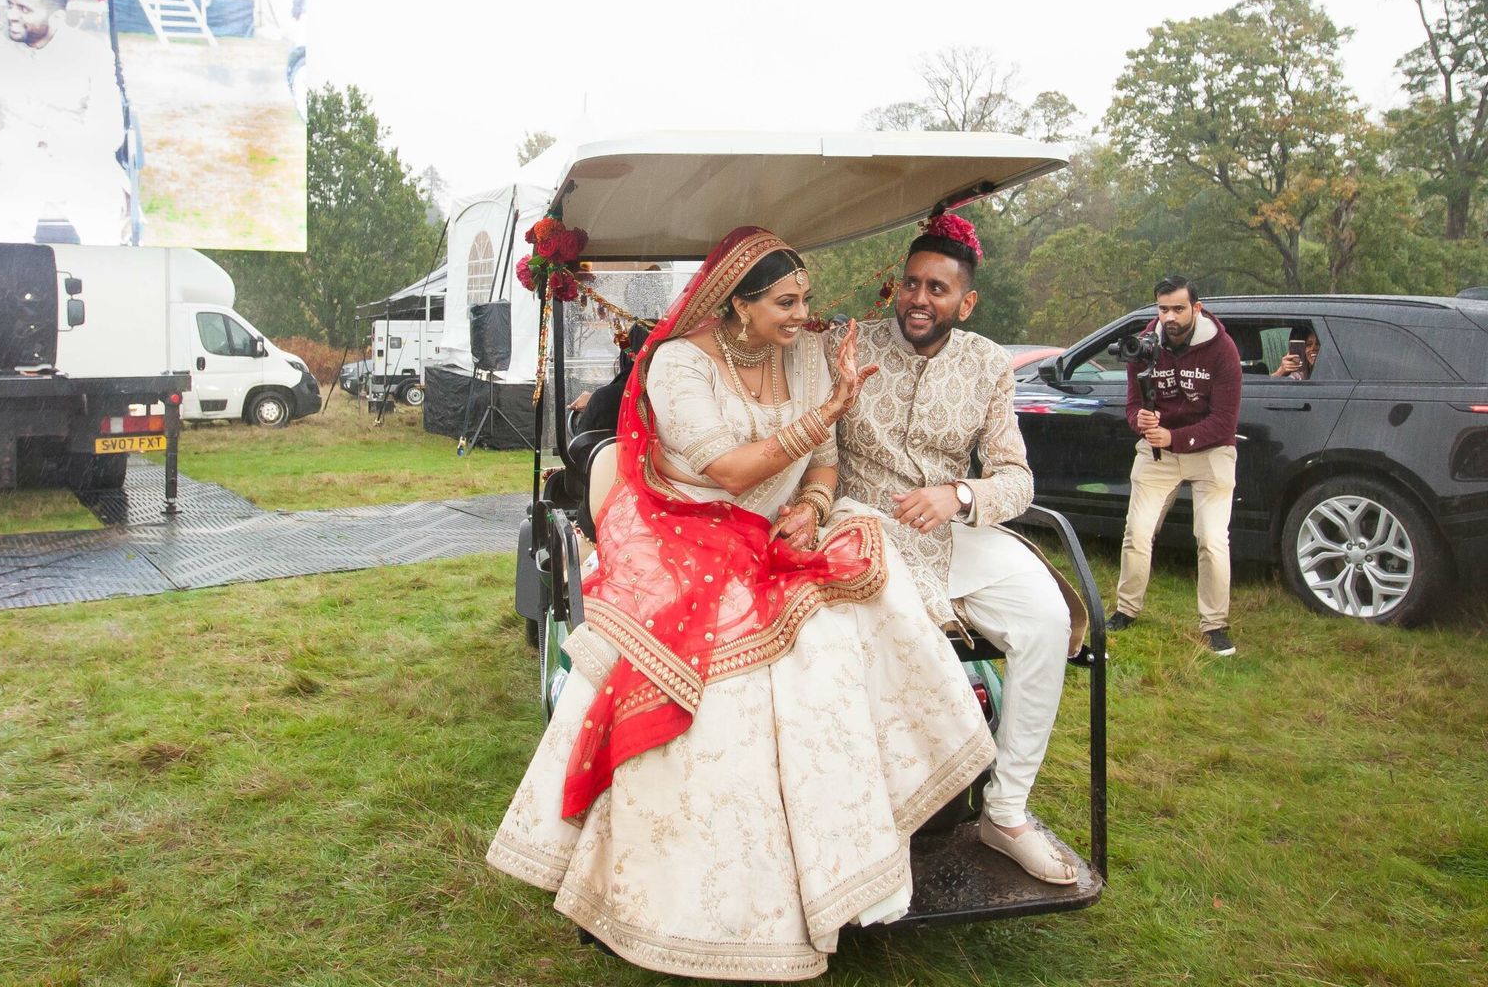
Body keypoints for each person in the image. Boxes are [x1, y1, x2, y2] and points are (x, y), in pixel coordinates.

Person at [488, 227, 996, 982]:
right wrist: (829, 412)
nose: (803, 315)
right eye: (786, 302)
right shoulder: (677, 363)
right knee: (723, 687)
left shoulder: (802, 353)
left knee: (847, 631)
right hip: (684, 529)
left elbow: (821, 465)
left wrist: (816, 506)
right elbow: (726, 471)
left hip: (773, 534)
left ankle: (853, 860)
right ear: (737, 304)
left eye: (806, 300)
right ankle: (698, 897)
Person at [829, 211, 1088, 886]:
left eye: (938, 289)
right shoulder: (850, 345)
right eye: (911, 284)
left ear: (965, 301)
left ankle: (1004, 813)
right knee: (885, 637)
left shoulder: (987, 363)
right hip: (862, 529)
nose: (920, 299)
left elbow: (1017, 479)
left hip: (951, 533)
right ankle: (869, 821)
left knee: (1045, 620)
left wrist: (960, 496)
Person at [1110, 276, 1243, 654]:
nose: (1169, 316)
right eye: (1163, 308)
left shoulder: (1222, 349)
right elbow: (1134, 404)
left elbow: (1225, 420)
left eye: (1178, 308)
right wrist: (1142, 423)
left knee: (1212, 538)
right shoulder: (1145, 346)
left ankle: (1215, 624)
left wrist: (1176, 438)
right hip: (1159, 453)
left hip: (1211, 450)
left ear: (1196, 309)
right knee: (1137, 532)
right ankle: (1126, 609)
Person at [0, 0, 134, 242]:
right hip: (9, 150)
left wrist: (58, 145)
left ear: (57, 18)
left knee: (97, 217)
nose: (11, 15)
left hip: (78, 154)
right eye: (10, 4)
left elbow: (108, 131)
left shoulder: (91, 53)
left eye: (24, 9)